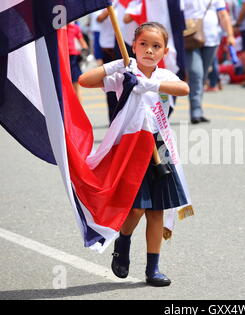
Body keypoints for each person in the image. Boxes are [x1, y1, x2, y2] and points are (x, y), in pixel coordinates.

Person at [78, 22, 190, 286]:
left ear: (164, 51)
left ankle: (153, 269)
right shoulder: (124, 73)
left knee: (157, 211)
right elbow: (84, 80)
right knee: (138, 207)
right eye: (143, 44)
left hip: (159, 146)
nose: (149, 50)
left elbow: (184, 89)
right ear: (133, 46)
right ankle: (123, 242)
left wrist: (150, 86)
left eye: (156, 46)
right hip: (132, 147)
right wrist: (117, 65)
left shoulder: (164, 76)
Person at [184, 0, 235, 124]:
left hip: (212, 39)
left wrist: (230, 35)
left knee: (203, 75)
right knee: (196, 73)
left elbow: (223, 14)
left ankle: (198, 110)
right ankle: (195, 111)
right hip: (191, 38)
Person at [67, 21, 89, 101]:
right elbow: (83, 44)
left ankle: (78, 107)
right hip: (67, 56)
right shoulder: (73, 27)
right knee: (73, 85)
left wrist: (84, 53)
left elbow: (83, 43)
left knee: (75, 85)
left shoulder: (74, 27)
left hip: (72, 56)